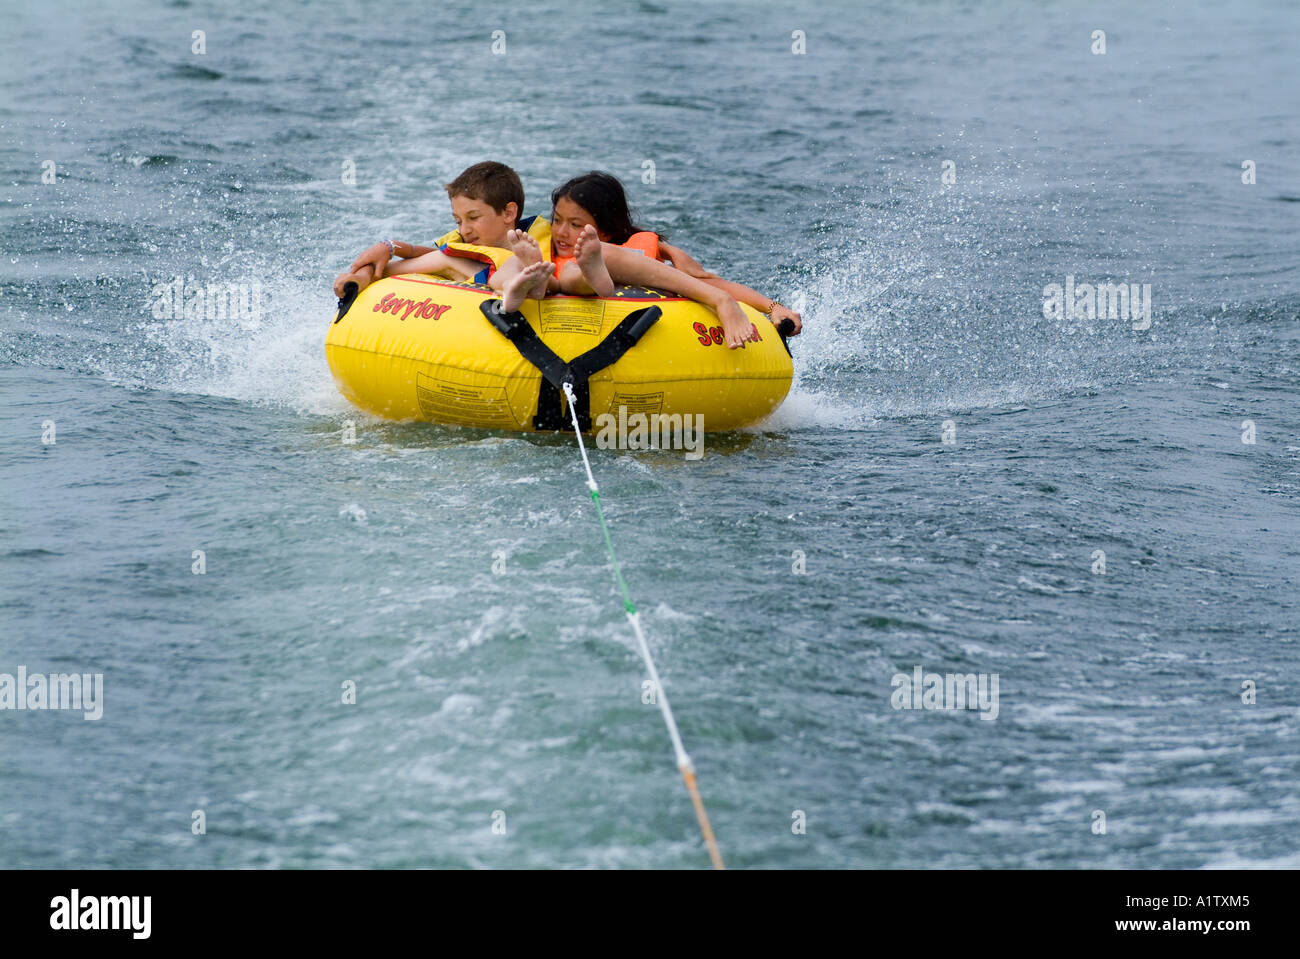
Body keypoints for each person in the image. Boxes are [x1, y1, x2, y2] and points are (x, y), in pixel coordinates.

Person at [495, 172, 803, 347]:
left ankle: (584, 273)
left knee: (581, 269)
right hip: (555, 278)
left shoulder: (632, 249)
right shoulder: (539, 241)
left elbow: (705, 279)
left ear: (606, 229)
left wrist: (774, 308)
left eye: (576, 225)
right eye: (558, 220)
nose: (561, 232)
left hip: (598, 278)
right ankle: (537, 283)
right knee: (530, 267)